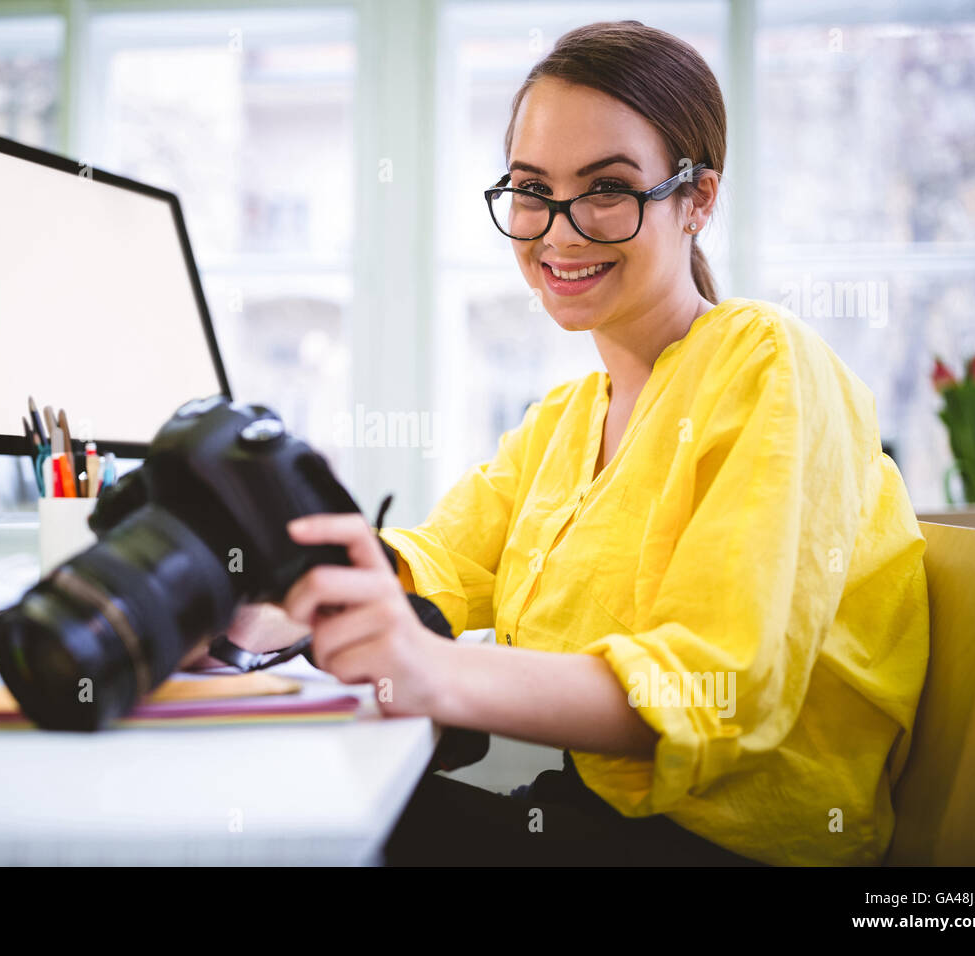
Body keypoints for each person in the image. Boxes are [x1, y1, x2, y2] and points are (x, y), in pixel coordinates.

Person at [205, 20, 930, 867]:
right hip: (586, 818)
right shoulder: (563, 417)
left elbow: (718, 686)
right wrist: (257, 611)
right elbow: (439, 560)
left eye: (607, 188)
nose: (558, 230)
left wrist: (432, 671)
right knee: (286, 806)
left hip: (730, 850)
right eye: (530, 188)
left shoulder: (766, 362)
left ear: (697, 199)